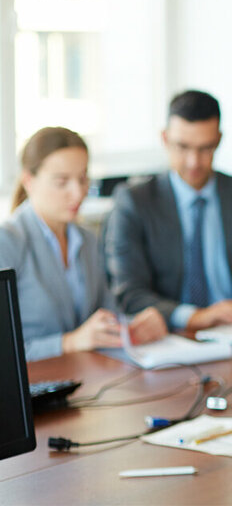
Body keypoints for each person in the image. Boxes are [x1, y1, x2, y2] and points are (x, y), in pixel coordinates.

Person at [106, 90, 232, 331]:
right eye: (182, 147)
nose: (194, 162)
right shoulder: (135, 201)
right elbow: (129, 294)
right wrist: (197, 317)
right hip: (171, 337)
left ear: (219, 140)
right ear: (164, 139)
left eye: (205, 148)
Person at [0, 127, 166, 361]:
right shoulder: (7, 242)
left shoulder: (87, 239)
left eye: (83, 178)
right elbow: (6, 353)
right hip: (36, 385)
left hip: (85, 378)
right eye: (62, 182)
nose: (78, 193)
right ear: (29, 180)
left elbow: (106, 313)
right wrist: (70, 342)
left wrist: (132, 327)